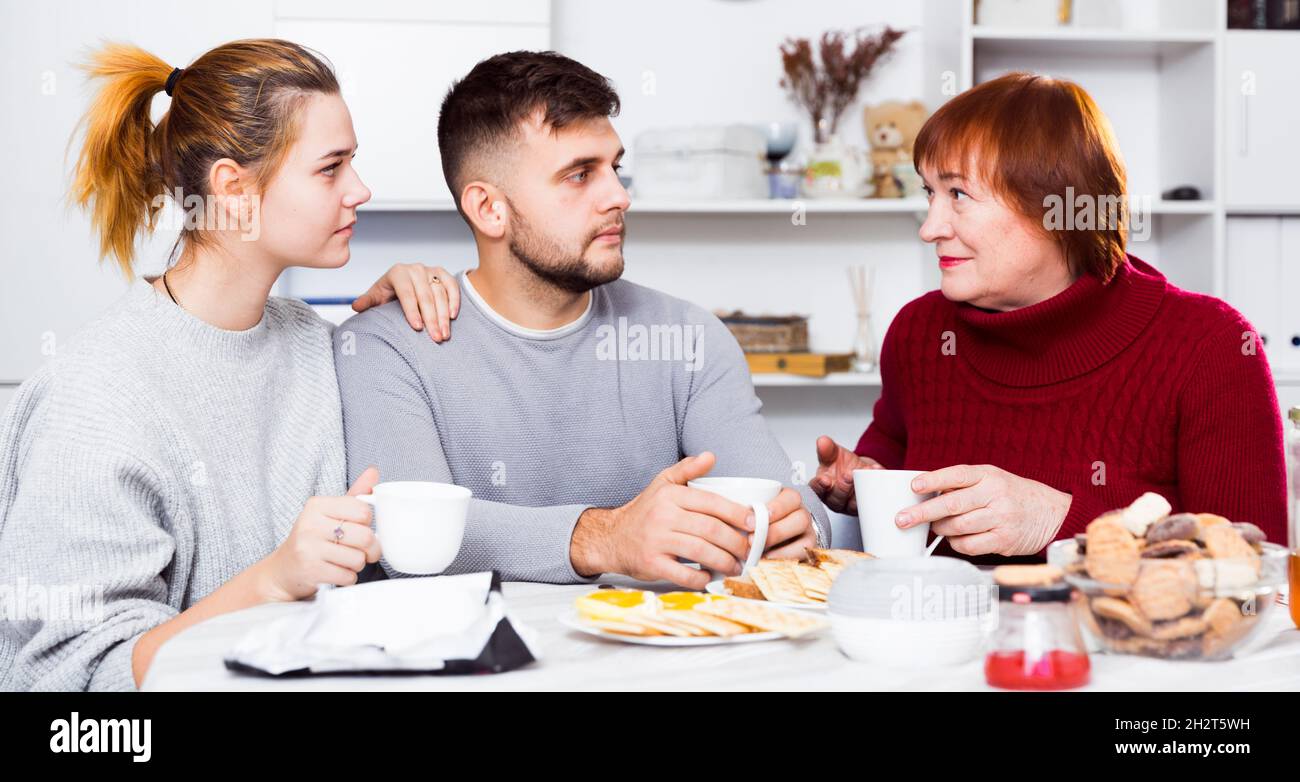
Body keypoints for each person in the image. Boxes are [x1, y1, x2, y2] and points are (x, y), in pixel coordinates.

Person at [0, 38, 464, 691]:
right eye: (331, 168)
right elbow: (63, 685)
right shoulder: (94, 395)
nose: (359, 189)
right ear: (233, 188)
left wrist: (395, 313)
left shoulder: (314, 344)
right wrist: (270, 582)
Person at [335, 51, 829, 589]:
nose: (619, 197)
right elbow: (412, 534)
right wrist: (603, 537)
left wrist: (804, 528)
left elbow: (784, 496)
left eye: (614, 168)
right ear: (488, 209)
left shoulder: (688, 340)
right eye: (579, 175)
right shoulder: (385, 345)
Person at [811, 72, 1287, 563]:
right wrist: (858, 485)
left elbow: (1253, 580)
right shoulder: (920, 333)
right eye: (929, 193)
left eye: (958, 195)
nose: (930, 228)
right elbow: (893, 479)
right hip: (935, 638)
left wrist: (1062, 523)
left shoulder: (1212, 347)